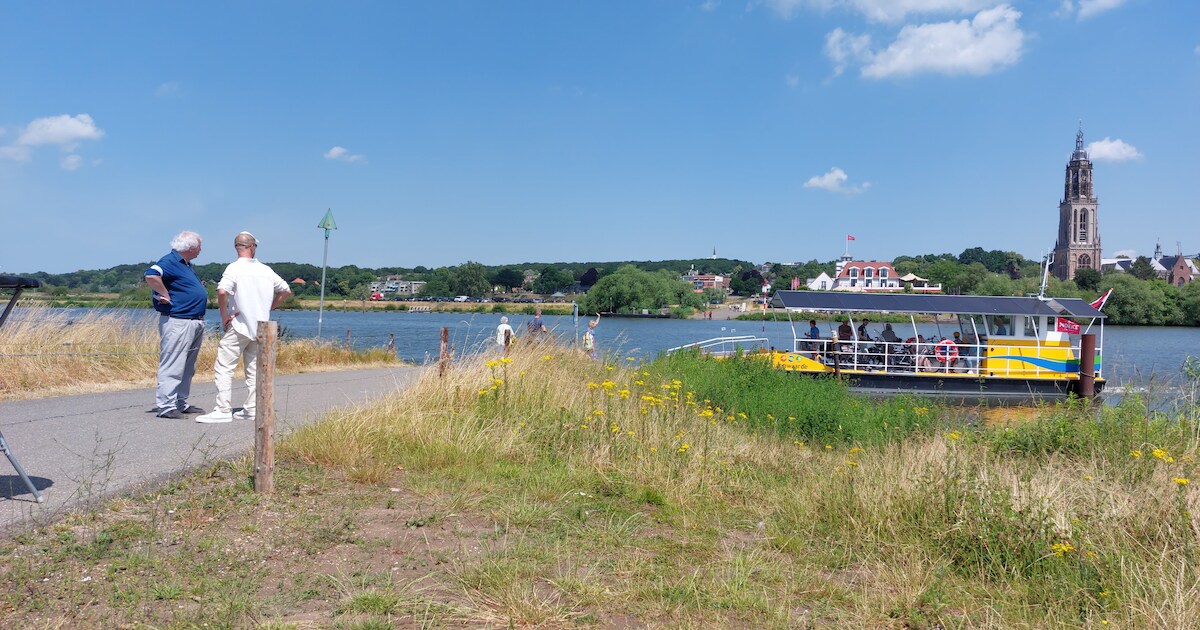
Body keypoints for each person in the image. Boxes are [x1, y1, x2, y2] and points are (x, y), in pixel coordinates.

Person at [195, 232, 291, 424]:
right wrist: (269, 308)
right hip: (261, 327)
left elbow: (222, 291)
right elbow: (286, 290)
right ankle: (252, 408)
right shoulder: (266, 270)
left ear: (236, 247)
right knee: (254, 369)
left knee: (224, 367)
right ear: (253, 247)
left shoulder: (234, 268)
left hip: (239, 324)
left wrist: (224, 315)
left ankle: (223, 409)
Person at [145, 231, 207, 419]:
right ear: (190, 247)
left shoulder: (184, 264)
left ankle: (180, 402)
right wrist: (164, 294)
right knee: (173, 364)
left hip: (192, 320)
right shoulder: (170, 261)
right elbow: (151, 275)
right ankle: (166, 406)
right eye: (199, 246)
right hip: (178, 320)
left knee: (187, 367)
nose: (201, 249)